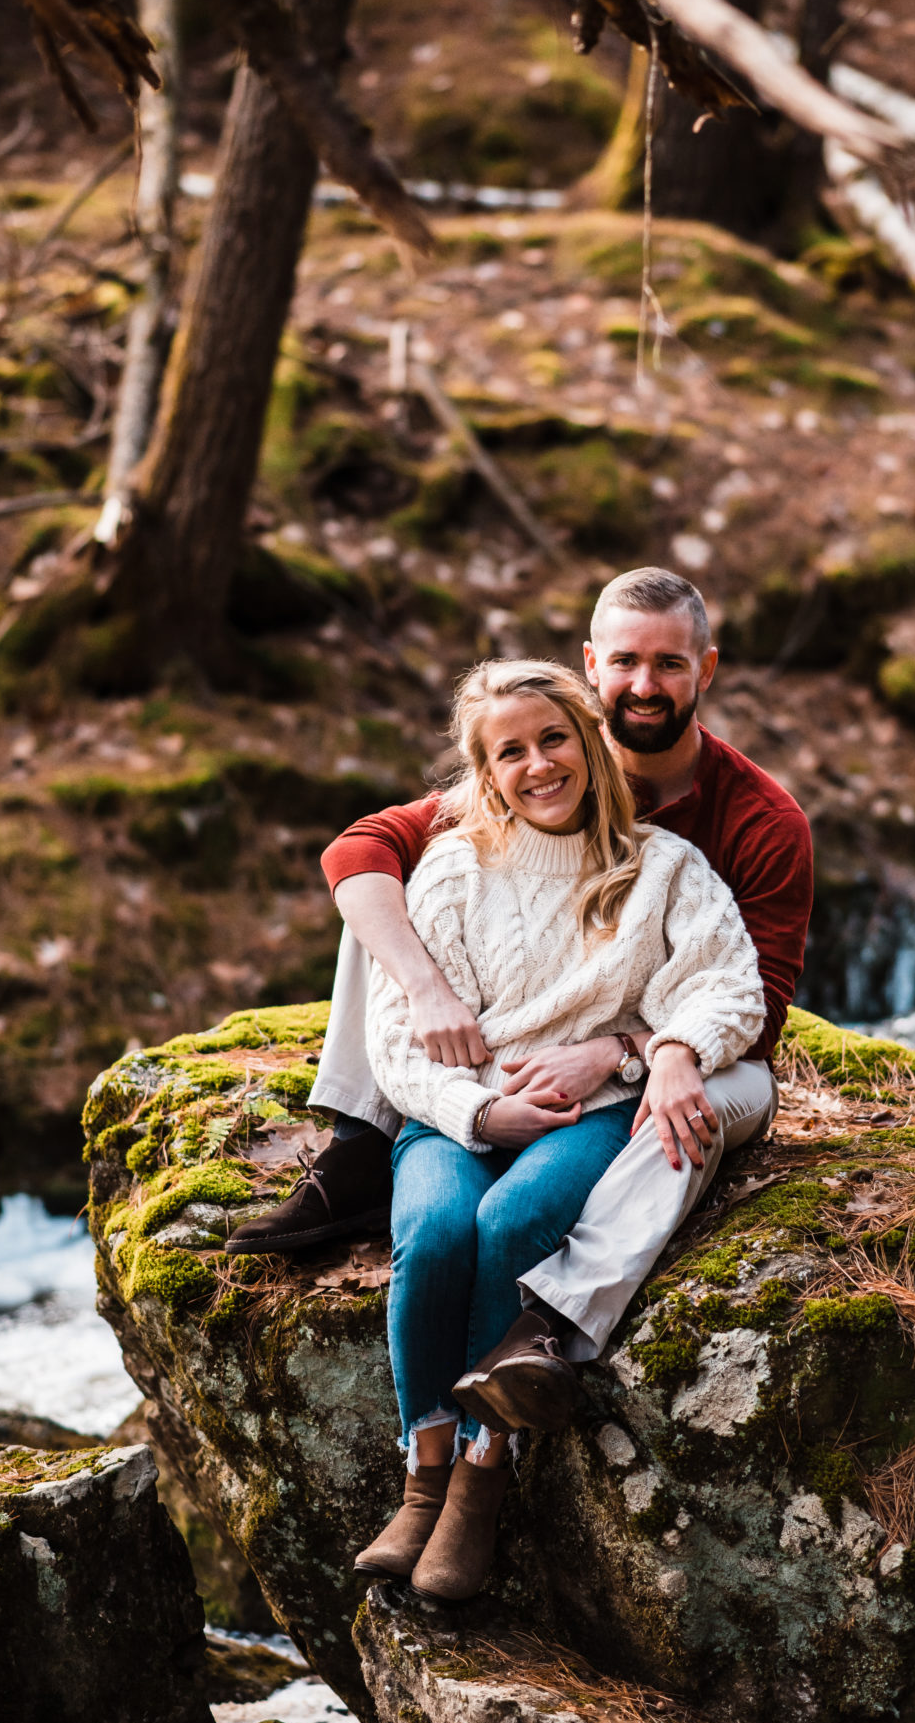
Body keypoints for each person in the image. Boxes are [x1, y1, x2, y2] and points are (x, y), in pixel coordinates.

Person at [228, 567, 813, 1408]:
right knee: (386, 896)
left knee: (689, 1105)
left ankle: (552, 1318)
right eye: (624, 662)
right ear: (591, 666)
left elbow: (756, 1010)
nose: (644, 685)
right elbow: (355, 849)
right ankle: (360, 1146)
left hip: (696, 1049)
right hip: (525, 1050)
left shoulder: (757, 821)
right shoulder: (540, 761)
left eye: (669, 664)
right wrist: (427, 991)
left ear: (706, 669)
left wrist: (629, 1052)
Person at [350, 657, 764, 1599]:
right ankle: (423, 1475)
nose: (537, 765)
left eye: (553, 739)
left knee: (515, 1221)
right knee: (435, 1229)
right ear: (484, 772)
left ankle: (481, 1474)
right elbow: (397, 1043)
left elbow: (728, 987)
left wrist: (658, 1051)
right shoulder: (452, 870)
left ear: (588, 742)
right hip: (458, 1108)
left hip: (591, 1110)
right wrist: (480, 1111)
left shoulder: (661, 867)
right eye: (510, 752)